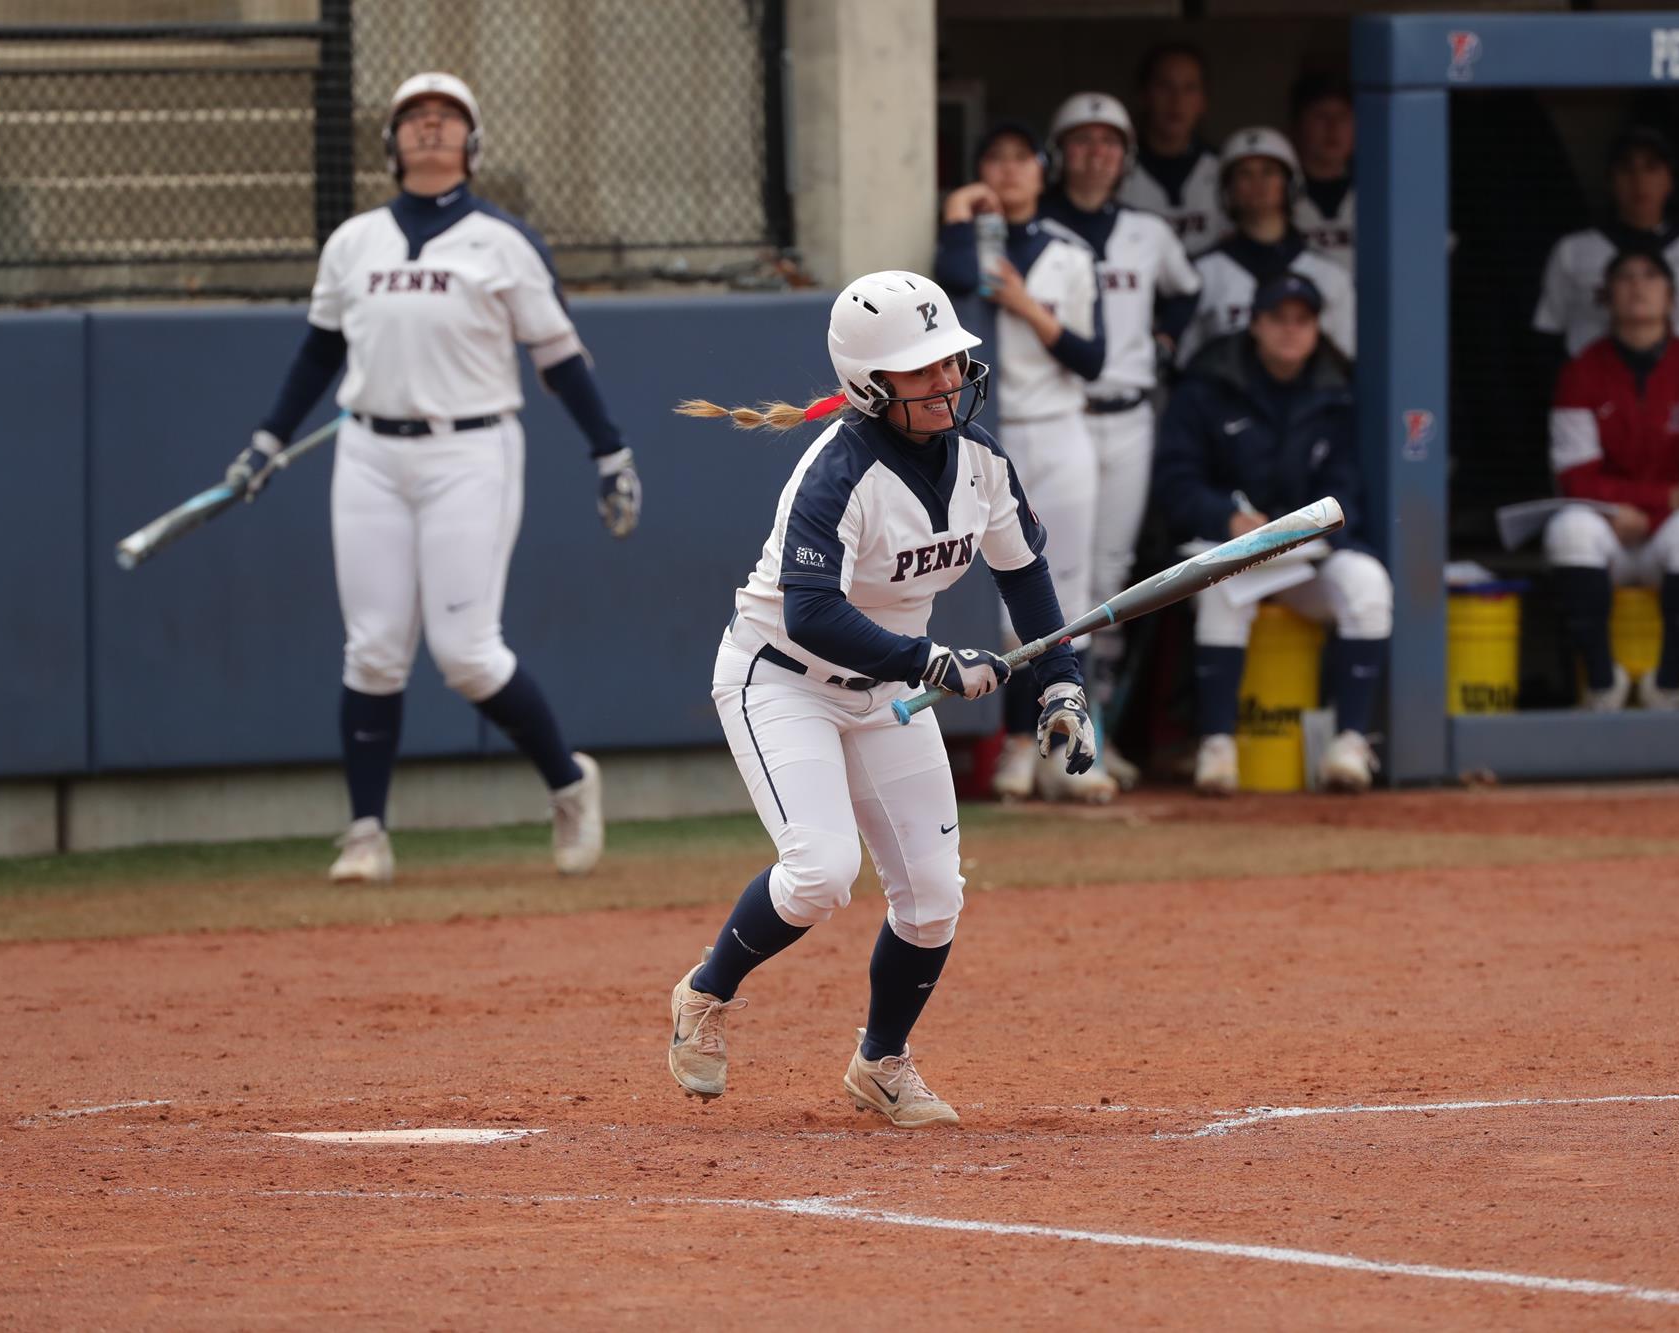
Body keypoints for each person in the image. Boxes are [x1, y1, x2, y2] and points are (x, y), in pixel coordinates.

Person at [666, 271, 1099, 1127]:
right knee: (822, 874)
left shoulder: (981, 462)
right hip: (780, 679)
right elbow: (812, 611)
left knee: (935, 895)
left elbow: (1026, 574)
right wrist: (932, 660)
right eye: (921, 369)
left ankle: (881, 1061)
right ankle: (706, 993)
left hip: (889, 689)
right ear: (871, 385)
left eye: (952, 361)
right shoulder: (837, 474)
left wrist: (1062, 682)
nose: (946, 381)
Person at [227, 72, 635, 883]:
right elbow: (319, 351)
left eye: (447, 117)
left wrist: (609, 450)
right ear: (392, 141)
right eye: (414, 116)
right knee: (373, 649)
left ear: (471, 142)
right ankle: (366, 833)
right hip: (370, 451)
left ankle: (568, 782)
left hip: (470, 451)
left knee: (466, 654)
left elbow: (557, 357)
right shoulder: (354, 242)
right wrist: (268, 439)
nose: (430, 127)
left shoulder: (504, 241)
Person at [936, 121, 1116, 803]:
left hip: (1060, 427)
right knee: (1003, 597)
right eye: (995, 160)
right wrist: (958, 214)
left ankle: (1075, 742)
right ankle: (1017, 744)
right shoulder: (969, 245)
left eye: (1021, 160)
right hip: (989, 432)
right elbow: (953, 281)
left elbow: (1092, 358)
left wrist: (1023, 305)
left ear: (1042, 172)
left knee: (1066, 592)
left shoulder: (1067, 251)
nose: (1009, 172)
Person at [1153, 272, 1388, 794]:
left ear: (1316, 329)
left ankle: (1351, 742)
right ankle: (1217, 746)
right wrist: (1226, 518)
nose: (1290, 331)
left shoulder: (1336, 389)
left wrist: (1309, 527)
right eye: (1278, 319)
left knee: (1368, 584)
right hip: (1233, 549)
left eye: (1302, 321)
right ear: (1255, 324)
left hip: (1309, 552)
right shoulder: (1209, 384)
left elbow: (1349, 488)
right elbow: (1175, 481)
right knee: (1218, 592)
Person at [1040, 91, 1202, 789]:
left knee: (1109, 582)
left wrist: (1165, 335)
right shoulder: (1039, 227)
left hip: (1132, 413)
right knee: (1055, 581)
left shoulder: (1147, 231)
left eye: (1110, 142)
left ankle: (1091, 733)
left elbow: (1186, 292)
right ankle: (1047, 742)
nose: (1096, 153)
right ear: (1060, 151)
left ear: (1126, 156)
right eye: (1082, 140)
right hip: (1064, 412)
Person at [1544, 243, 1679, 710]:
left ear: (1672, 298)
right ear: (1606, 297)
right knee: (1569, 529)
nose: (1638, 286)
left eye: (1650, 276)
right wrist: (1664, 497)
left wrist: (1657, 506)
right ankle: (1603, 683)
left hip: (1670, 533)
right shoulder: (1581, 371)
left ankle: (1668, 683)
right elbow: (1577, 477)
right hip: (1611, 529)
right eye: (1625, 277)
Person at [1534, 126, 1679, 359]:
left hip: (1673, 390)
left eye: (1651, 168)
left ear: (1670, 180)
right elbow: (1548, 335)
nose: (1639, 180)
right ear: (1610, 180)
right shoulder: (1573, 251)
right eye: (1626, 169)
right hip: (1592, 387)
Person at [1175, 126, 1356, 369]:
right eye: (1244, 174)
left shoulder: (1330, 276)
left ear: (1290, 184)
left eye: (1269, 172)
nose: (1258, 184)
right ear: (1227, 189)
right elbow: (1186, 365)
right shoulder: (1201, 273)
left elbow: (1344, 365)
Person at [1117, 43, 1226, 257]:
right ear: (1144, 95)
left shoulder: (1223, 169)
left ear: (1203, 101)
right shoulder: (1116, 169)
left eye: (1189, 88)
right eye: (1165, 87)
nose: (1177, 101)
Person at [1288, 74, 1358, 274]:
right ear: (1298, 124)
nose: (1333, 127)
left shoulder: (1380, 194)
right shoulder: (1274, 193)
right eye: (1321, 116)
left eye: (1343, 116)